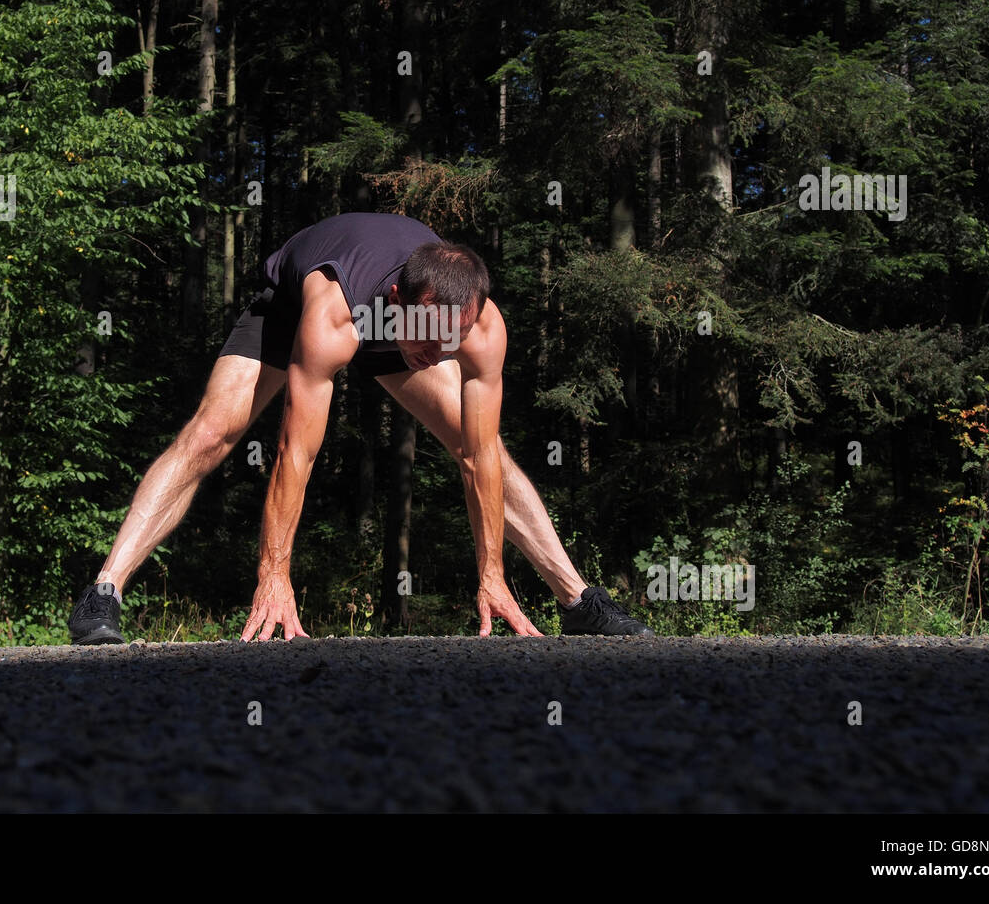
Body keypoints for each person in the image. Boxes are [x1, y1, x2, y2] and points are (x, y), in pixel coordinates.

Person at [67, 212, 654, 643]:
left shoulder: (476, 329)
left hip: (393, 323)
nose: (438, 356)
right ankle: (103, 594)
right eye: (428, 343)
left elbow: (479, 458)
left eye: (449, 344)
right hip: (290, 309)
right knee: (212, 433)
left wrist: (492, 575)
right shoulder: (332, 311)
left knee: (483, 446)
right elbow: (295, 453)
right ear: (398, 299)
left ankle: (577, 600)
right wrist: (274, 574)